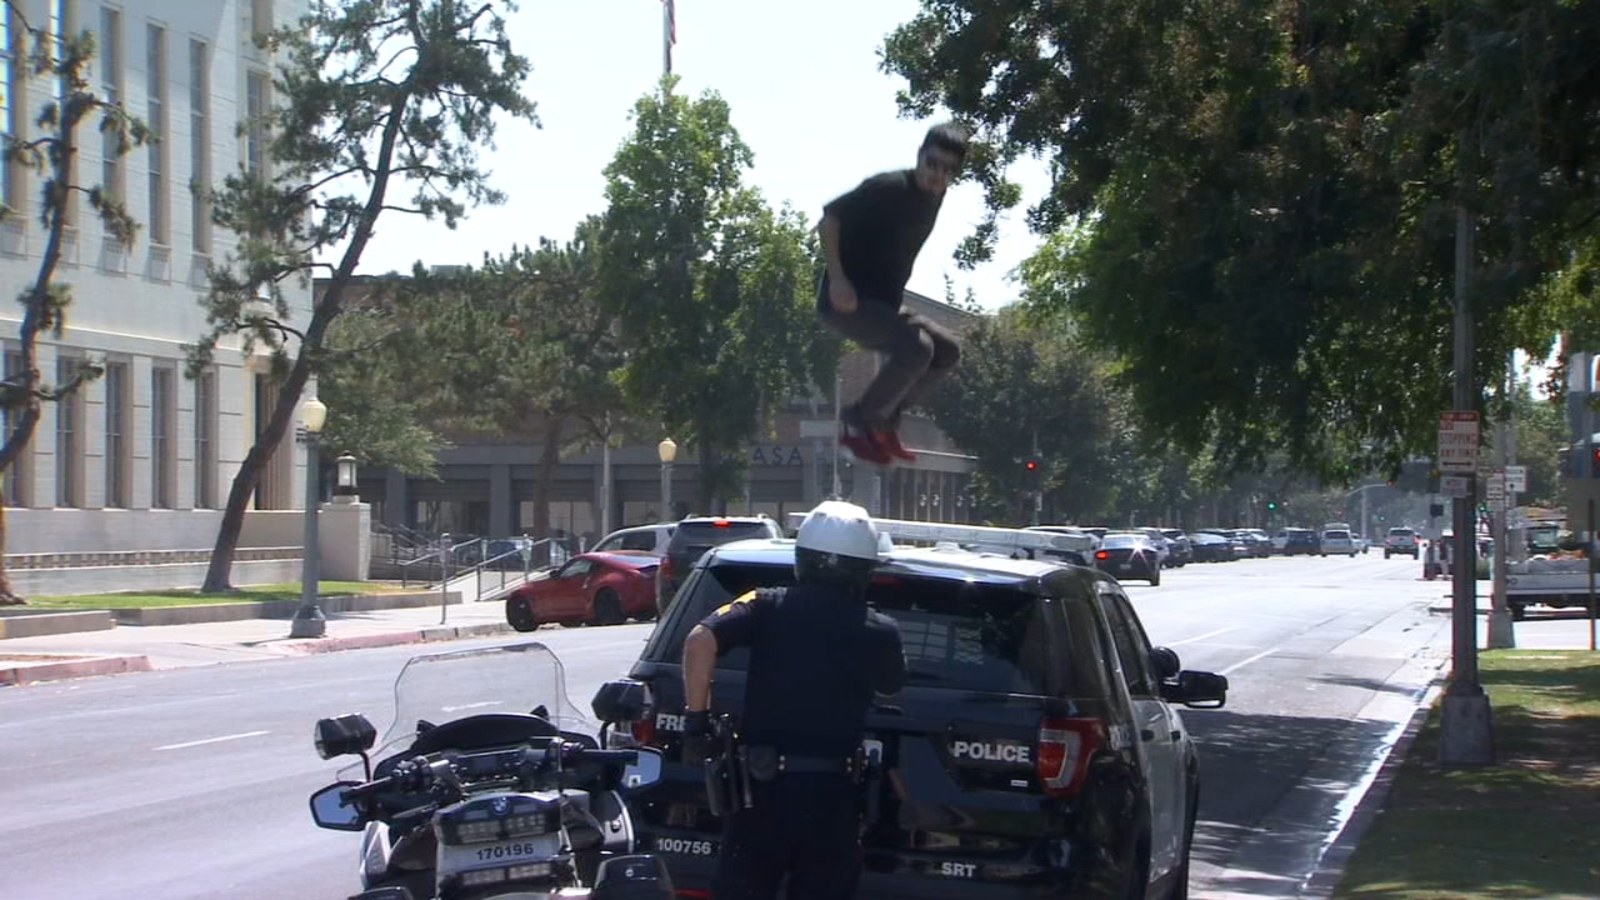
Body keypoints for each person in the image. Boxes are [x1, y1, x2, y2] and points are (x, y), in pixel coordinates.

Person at [679, 500, 906, 900]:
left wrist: (697, 723)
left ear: (803, 560)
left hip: (761, 796)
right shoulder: (881, 630)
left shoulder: (765, 604)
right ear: (865, 569)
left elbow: (700, 639)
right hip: (833, 802)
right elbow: (891, 686)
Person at [817, 122, 969, 465]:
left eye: (948, 170)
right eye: (932, 164)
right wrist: (838, 279)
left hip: (885, 305)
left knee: (947, 350)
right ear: (919, 156)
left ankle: (882, 422)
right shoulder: (888, 187)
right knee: (918, 348)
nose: (937, 175)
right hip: (848, 302)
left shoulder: (936, 196)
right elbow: (829, 220)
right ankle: (858, 421)